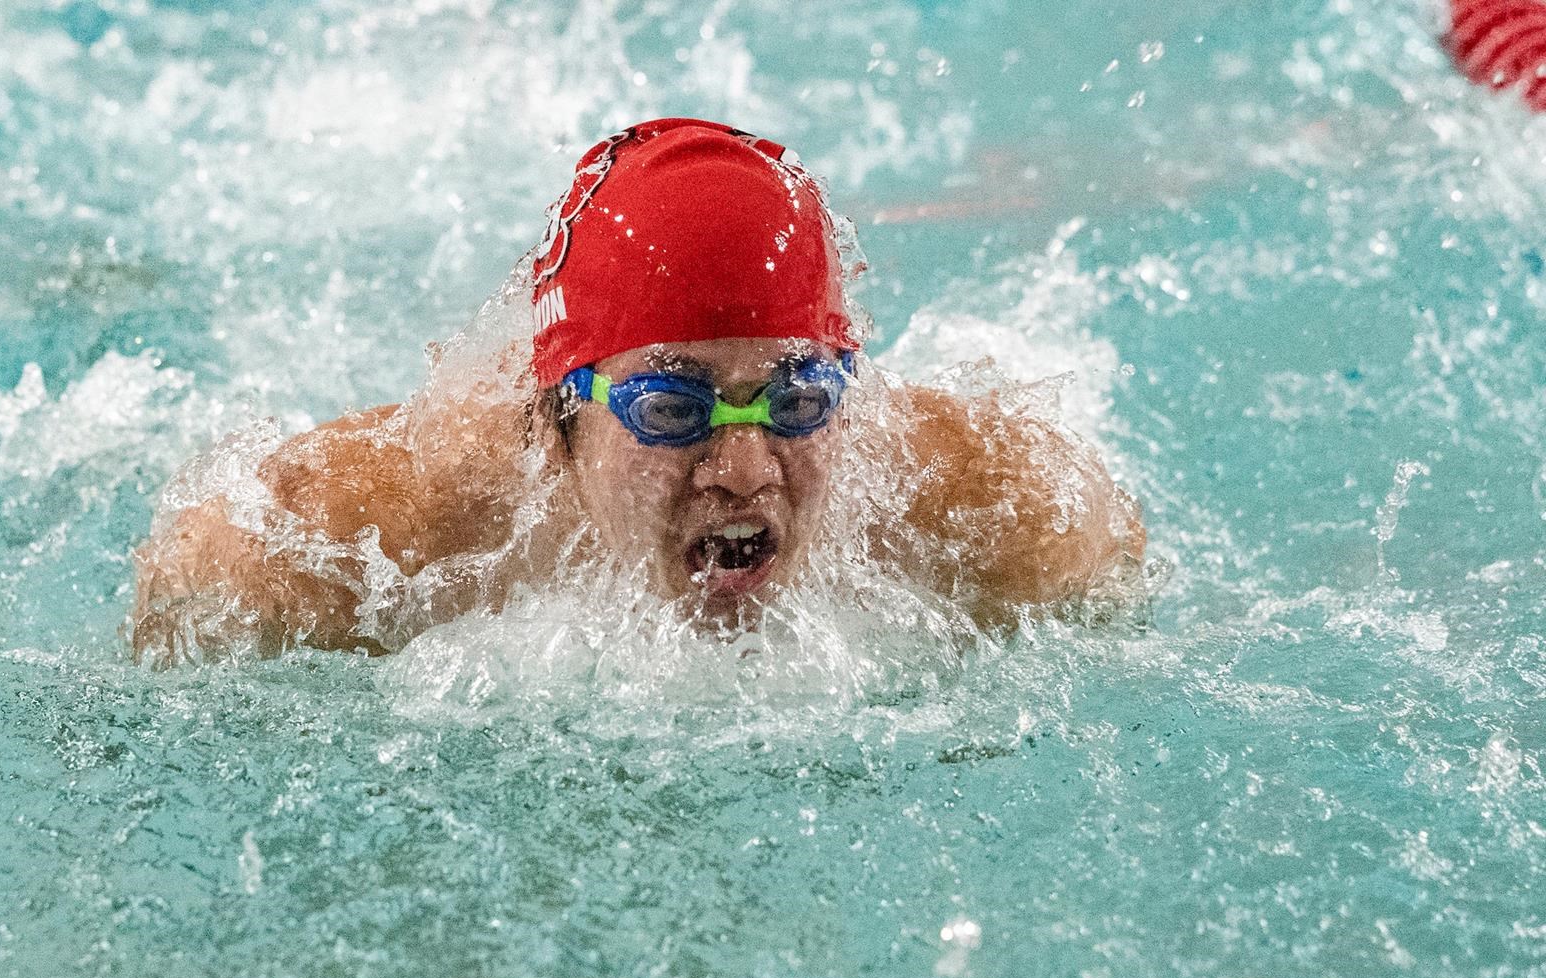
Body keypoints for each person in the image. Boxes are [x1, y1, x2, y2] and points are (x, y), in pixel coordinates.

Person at [129, 118, 1144, 661]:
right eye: (672, 407)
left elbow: (1121, 567)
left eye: (794, 400)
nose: (743, 470)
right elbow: (194, 573)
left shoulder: (1000, 513)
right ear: (552, 423)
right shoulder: (359, 540)